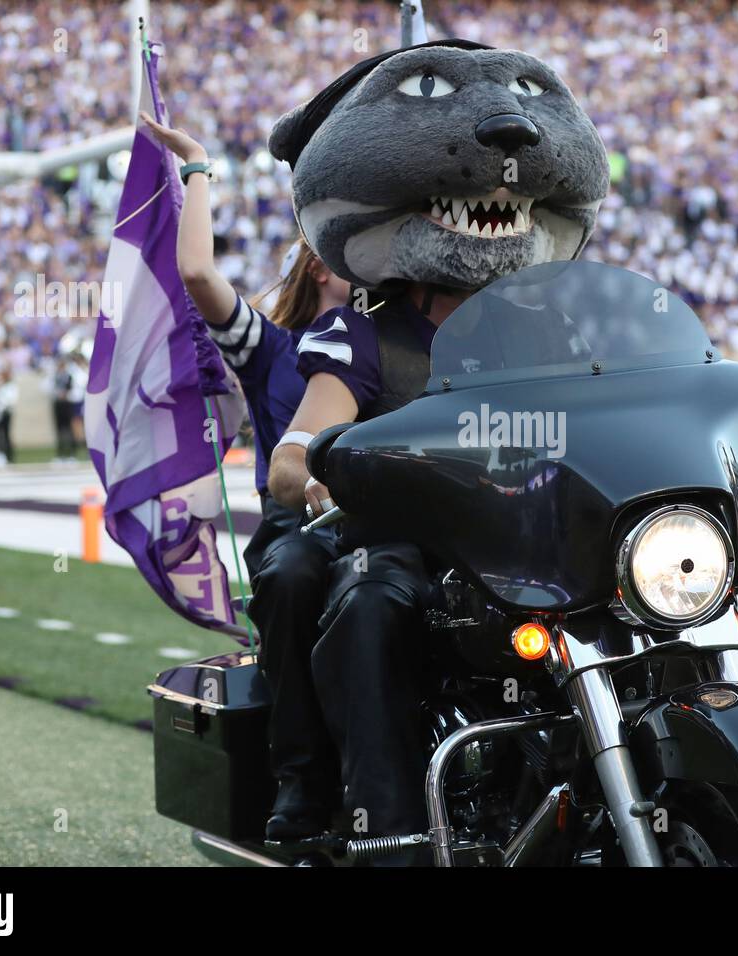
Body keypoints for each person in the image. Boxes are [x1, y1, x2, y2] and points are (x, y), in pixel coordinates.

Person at [262, 38, 611, 858]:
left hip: (525, 541)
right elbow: (298, 449)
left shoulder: (551, 332)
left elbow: (604, 421)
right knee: (368, 599)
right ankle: (379, 822)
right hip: (410, 541)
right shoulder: (361, 333)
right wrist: (315, 475)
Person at [140, 112, 352, 843]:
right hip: (299, 523)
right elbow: (198, 274)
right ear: (318, 266)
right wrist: (198, 166)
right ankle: (300, 777)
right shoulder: (272, 350)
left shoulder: (389, 344)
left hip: (381, 517)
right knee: (292, 576)